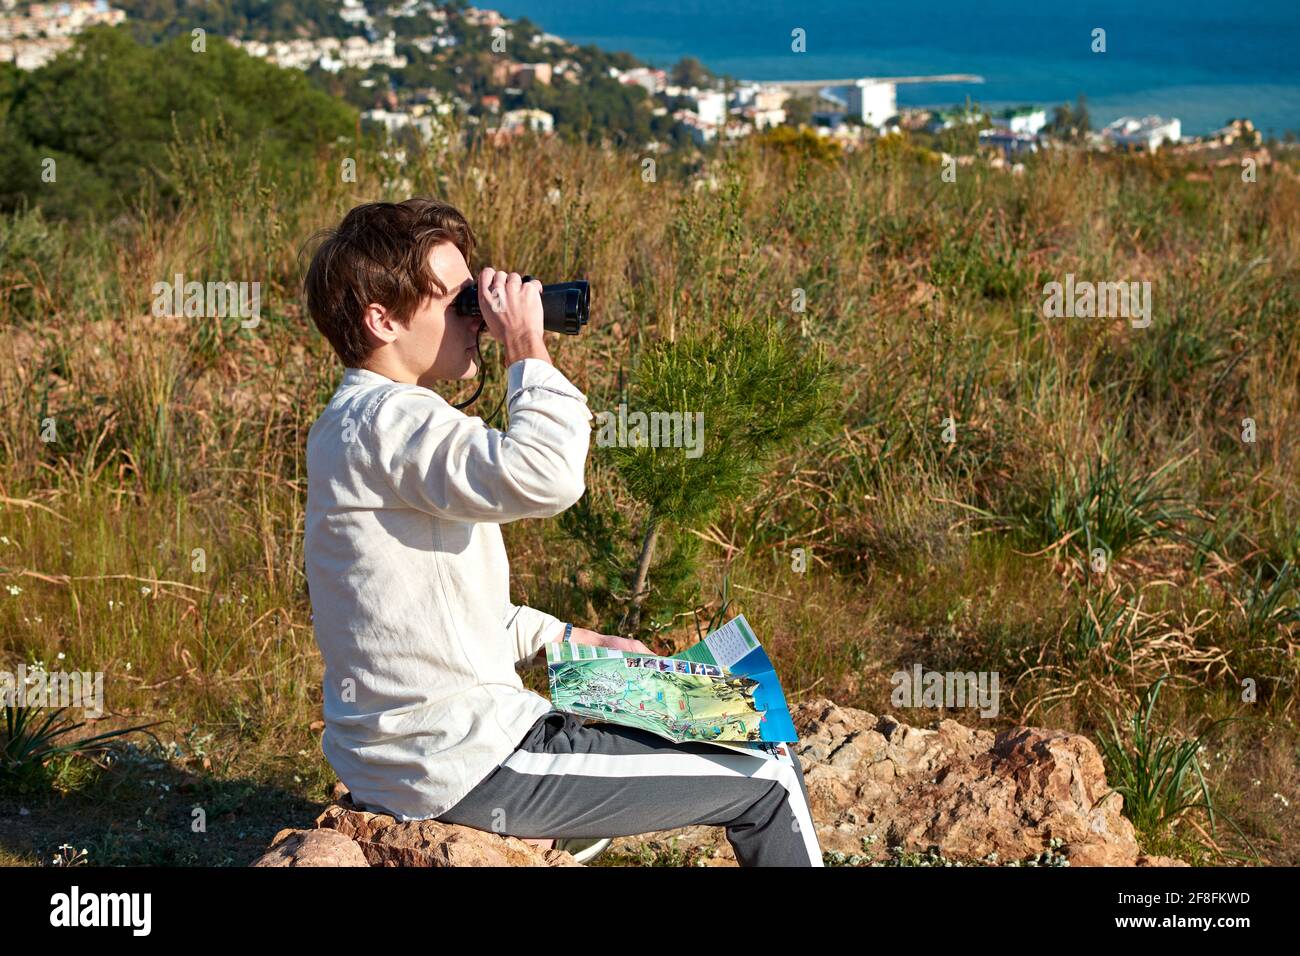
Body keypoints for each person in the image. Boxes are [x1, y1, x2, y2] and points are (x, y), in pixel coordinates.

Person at [300, 197, 823, 866]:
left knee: (740, 716)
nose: (478, 320)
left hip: (428, 752)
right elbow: (548, 476)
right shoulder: (391, 421)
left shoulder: (359, 425)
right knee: (769, 774)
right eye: (459, 300)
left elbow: (438, 619)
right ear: (382, 318)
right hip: (466, 761)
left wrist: (577, 640)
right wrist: (527, 346)